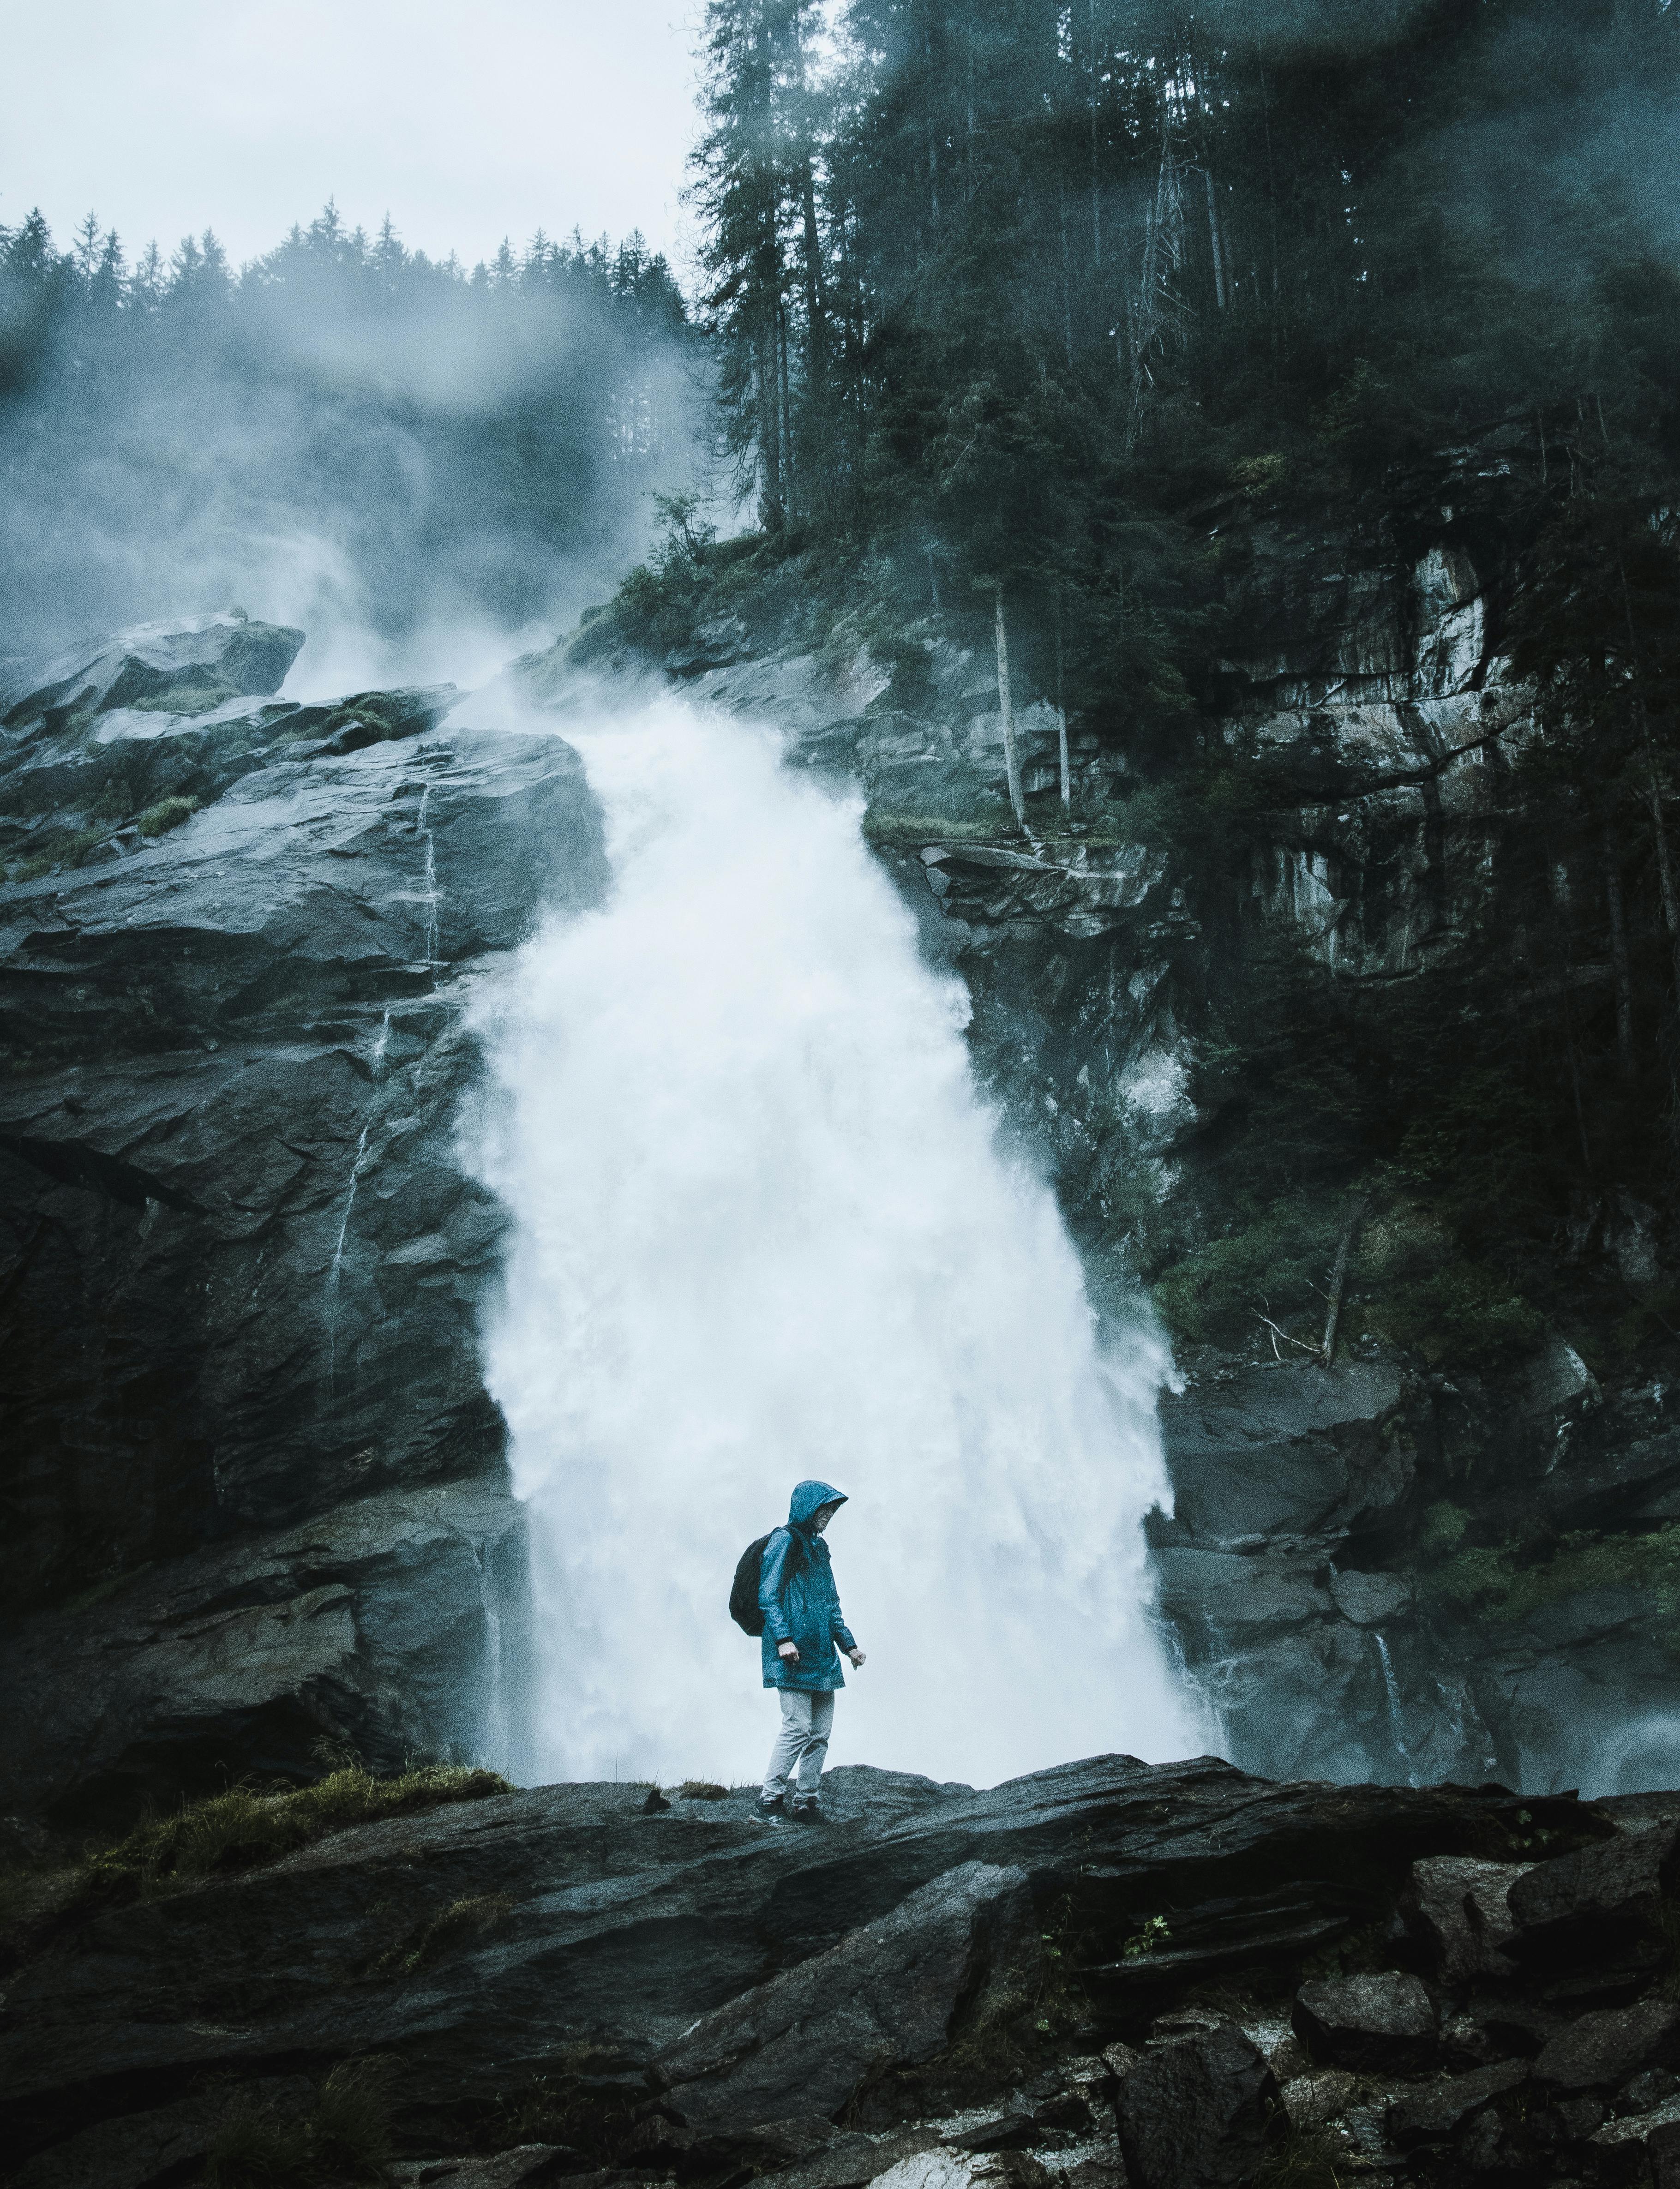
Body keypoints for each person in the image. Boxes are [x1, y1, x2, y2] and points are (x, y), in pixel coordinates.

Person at [755, 1478, 865, 1824]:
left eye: (832, 1508)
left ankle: (806, 1801)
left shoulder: (820, 1549)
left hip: (823, 1656)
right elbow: (767, 1595)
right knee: (797, 1726)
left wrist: (849, 1645)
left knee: (820, 1732)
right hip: (792, 1654)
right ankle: (770, 1799)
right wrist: (784, 1639)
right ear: (808, 1507)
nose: (829, 1514)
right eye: (824, 1507)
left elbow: (831, 1604)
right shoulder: (783, 1540)